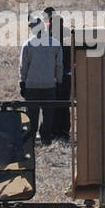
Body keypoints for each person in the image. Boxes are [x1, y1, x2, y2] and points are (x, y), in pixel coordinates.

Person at [20, 10, 63, 145]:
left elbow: (23, 66)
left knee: (31, 115)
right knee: (48, 115)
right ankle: (46, 139)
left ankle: (30, 141)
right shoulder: (55, 43)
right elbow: (59, 65)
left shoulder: (28, 44)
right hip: (49, 85)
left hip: (31, 85)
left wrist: (22, 82)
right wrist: (59, 80)